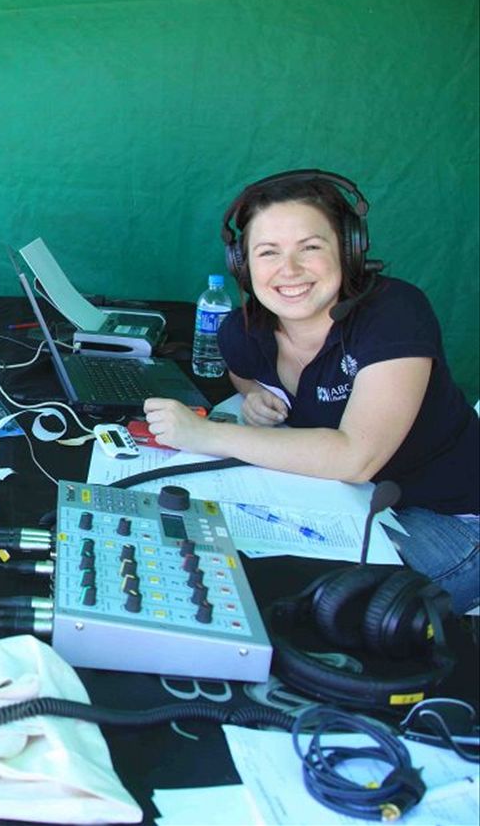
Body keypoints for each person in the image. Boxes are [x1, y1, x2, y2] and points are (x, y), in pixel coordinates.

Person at [144, 170, 479, 614]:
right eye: (268, 253)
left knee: (312, 606)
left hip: (448, 518)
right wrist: (252, 395)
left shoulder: (395, 313)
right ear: (243, 265)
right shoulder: (243, 331)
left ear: (348, 251)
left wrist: (204, 435)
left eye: (311, 248)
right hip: (346, 502)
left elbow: (354, 457)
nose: (290, 270)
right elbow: (243, 371)